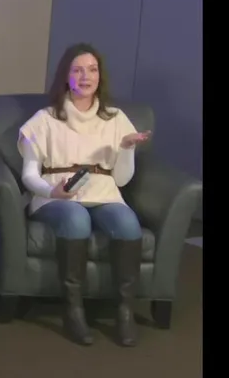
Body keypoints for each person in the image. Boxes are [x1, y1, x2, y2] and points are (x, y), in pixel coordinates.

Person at [17, 43, 152, 347]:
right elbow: (29, 174)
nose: (85, 76)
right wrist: (52, 190)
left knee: (128, 224)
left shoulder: (115, 118)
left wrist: (126, 148)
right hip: (56, 196)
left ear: (100, 76)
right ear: (66, 76)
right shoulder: (45, 119)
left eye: (92, 70)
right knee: (76, 218)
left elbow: (121, 179)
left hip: (103, 193)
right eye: (77, 70)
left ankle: (124, 311)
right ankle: (73, 310)